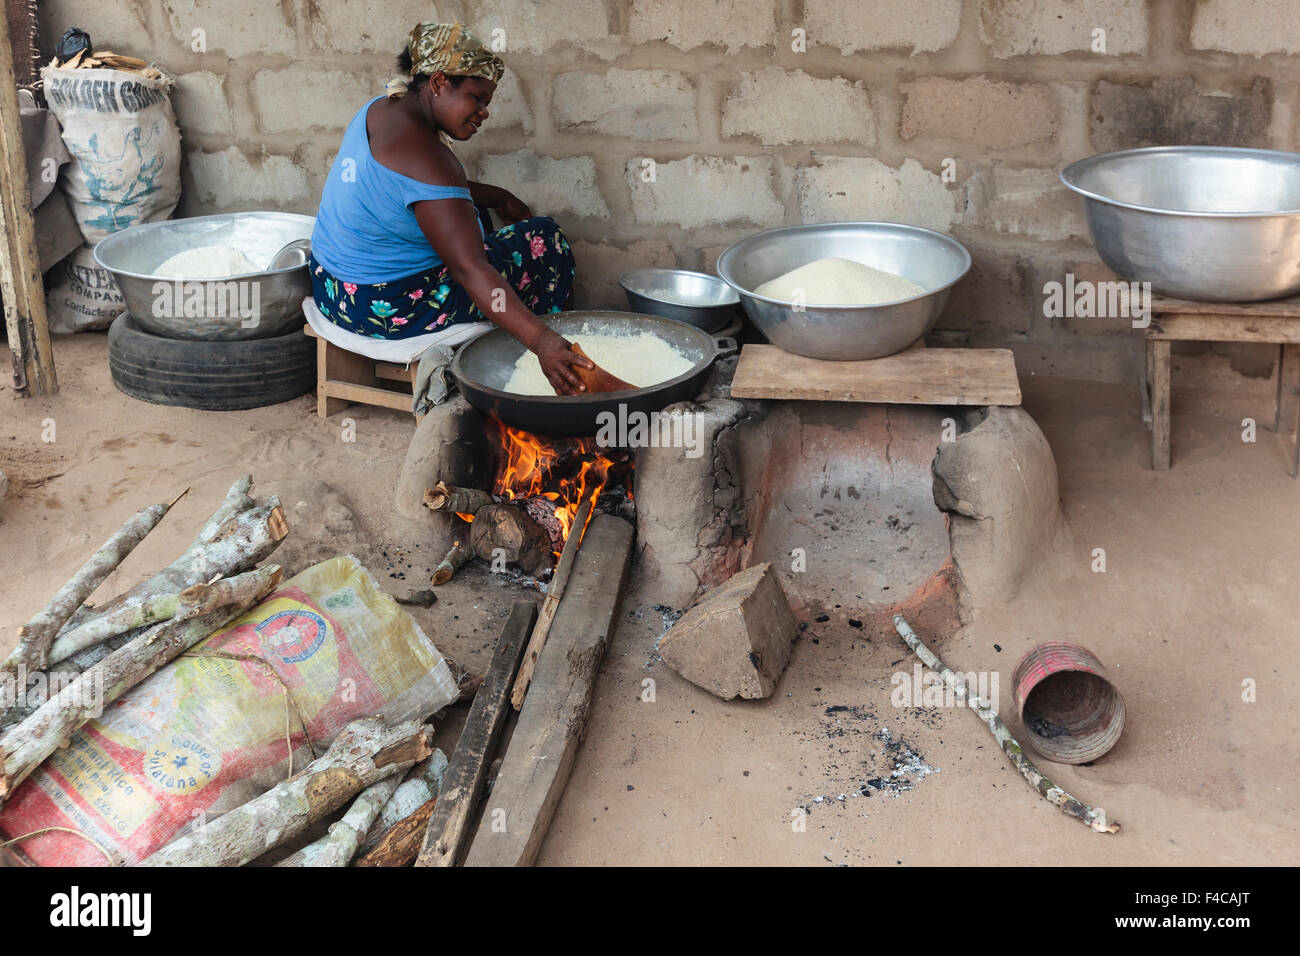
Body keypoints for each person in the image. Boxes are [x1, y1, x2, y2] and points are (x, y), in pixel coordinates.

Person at [309, 22, 593, 394]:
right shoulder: (432, 160)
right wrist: (543, 342)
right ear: (440, 83)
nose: (483, 112)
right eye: (477, 98)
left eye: (487, 103)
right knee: (543, 240)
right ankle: (547, 363)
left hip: (333, 292)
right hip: (392, 312)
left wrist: (499, 197)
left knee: (479, 220)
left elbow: (419, 189)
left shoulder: (377, 111)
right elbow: (468, 269)